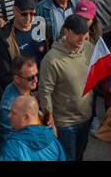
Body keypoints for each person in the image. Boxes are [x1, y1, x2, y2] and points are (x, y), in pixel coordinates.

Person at [36, 12, 94, 161]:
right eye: (77, 34)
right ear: (66, 31)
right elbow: (45, 92)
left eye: (85, 33)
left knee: (80, 155)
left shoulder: (89, 48)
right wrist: (50, 123)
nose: (82, 38)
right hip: (65, 124)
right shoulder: (51, 60)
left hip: (86, 117)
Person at [0, 93, 67, 161]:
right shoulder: (53, 140)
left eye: (13, 113)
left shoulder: (13, 146)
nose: (9, 116)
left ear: (26, 117)